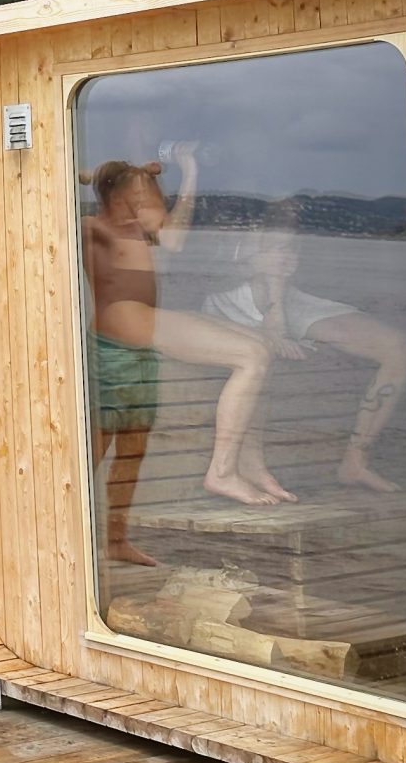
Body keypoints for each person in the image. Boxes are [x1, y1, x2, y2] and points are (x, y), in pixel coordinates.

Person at [82, 147, 284, 509]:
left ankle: (251, 461)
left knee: (262, 343)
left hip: (135, 313)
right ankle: (222, 472)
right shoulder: (97, 227)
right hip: (128, 319)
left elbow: (95, 181)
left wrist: (120, 174)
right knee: (252, 356)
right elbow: (174, 240)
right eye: (145, 194)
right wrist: (189, 173)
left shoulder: (114, 224)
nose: (153, 201)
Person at [202, 199, 406, 495]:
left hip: (289, 299)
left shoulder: (302, 245)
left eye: (290, 247)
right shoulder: (229, 244)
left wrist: (280, 279)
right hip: (240, 306)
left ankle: (356, 461)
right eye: (276, 248)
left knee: (400, 349)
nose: (285, 254)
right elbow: (214, 278)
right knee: (260, 356)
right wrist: (270, 283)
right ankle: (246, 467)